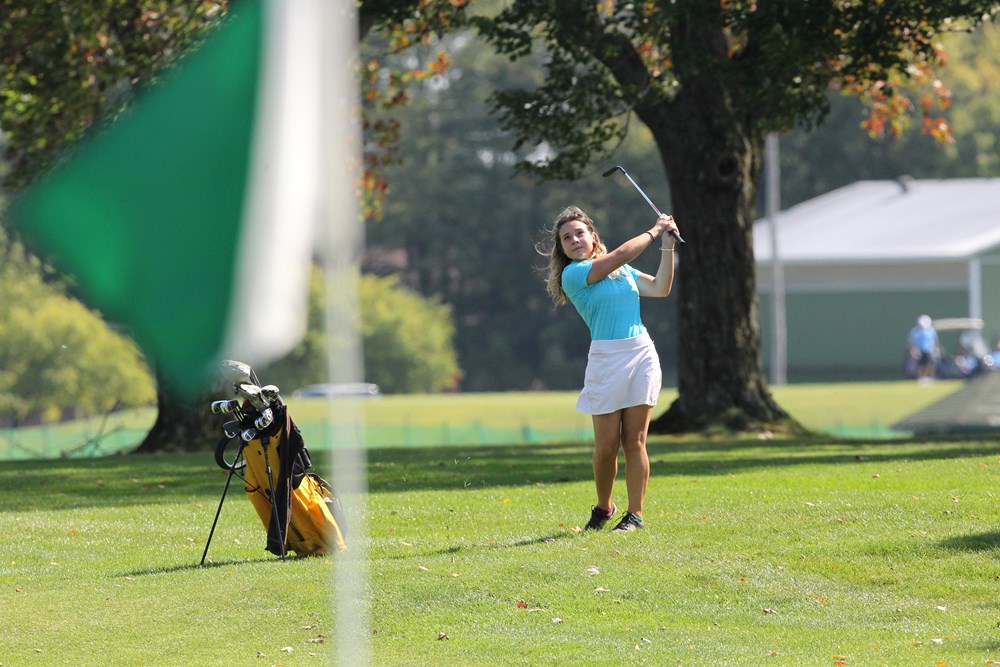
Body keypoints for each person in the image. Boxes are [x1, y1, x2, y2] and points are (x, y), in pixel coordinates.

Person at [537, 205, 679, 532]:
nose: (574, 240)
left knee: (636, 441)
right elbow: (618, 256)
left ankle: (636, 515)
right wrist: (655, 230)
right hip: (606, 359)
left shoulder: (623, 272)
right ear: (562, 248)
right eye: (566, 238)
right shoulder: (574, 274)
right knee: (605, 448)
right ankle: (604, 508)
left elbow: (660, 287)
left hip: (641, 353)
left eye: (579, 233)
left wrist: (667, 245)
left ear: (592, 236)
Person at [908, 315, 939, 382]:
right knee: (920, 365)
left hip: (929, 350)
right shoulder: (915, 331)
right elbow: (912, 342)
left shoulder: (931, 331)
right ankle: (922, 378)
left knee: (929, 364)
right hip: (919, 351)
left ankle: (929, 377)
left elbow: (935, 341)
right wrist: (913, 351)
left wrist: (936, 350)